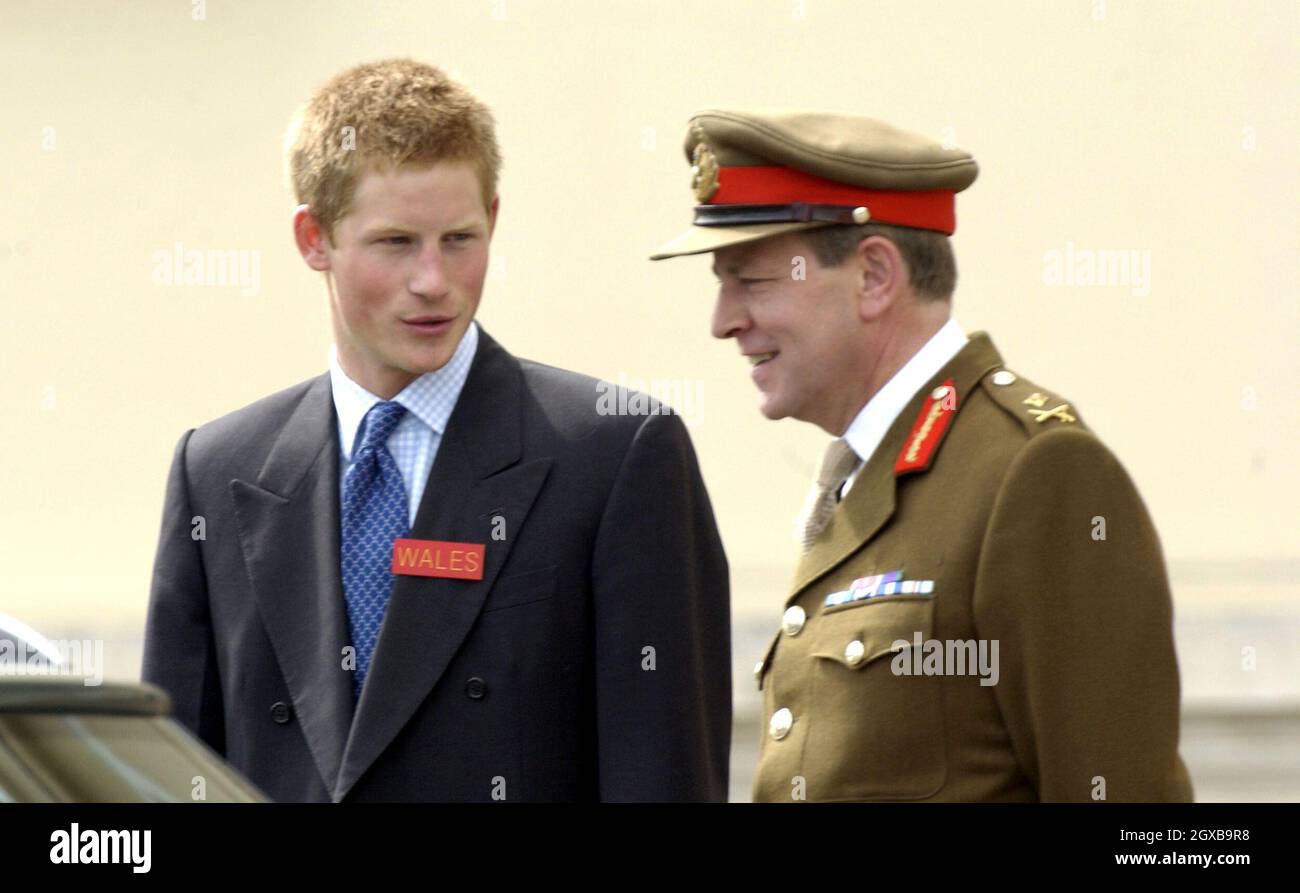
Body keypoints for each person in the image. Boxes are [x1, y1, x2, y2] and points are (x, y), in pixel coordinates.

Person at [142, 59, 731, 802]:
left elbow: (662, 776)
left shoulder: (615, 455)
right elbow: (165, 783)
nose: (433, 280)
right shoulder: (216, 469)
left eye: (460, 238)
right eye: (395, 242)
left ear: (494, 216)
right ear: (312, 238)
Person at [651, 108, 1192, 802]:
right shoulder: (872, 472)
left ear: (875, 275)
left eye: (752, 281)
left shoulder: (1035, 470)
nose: (723, 320)